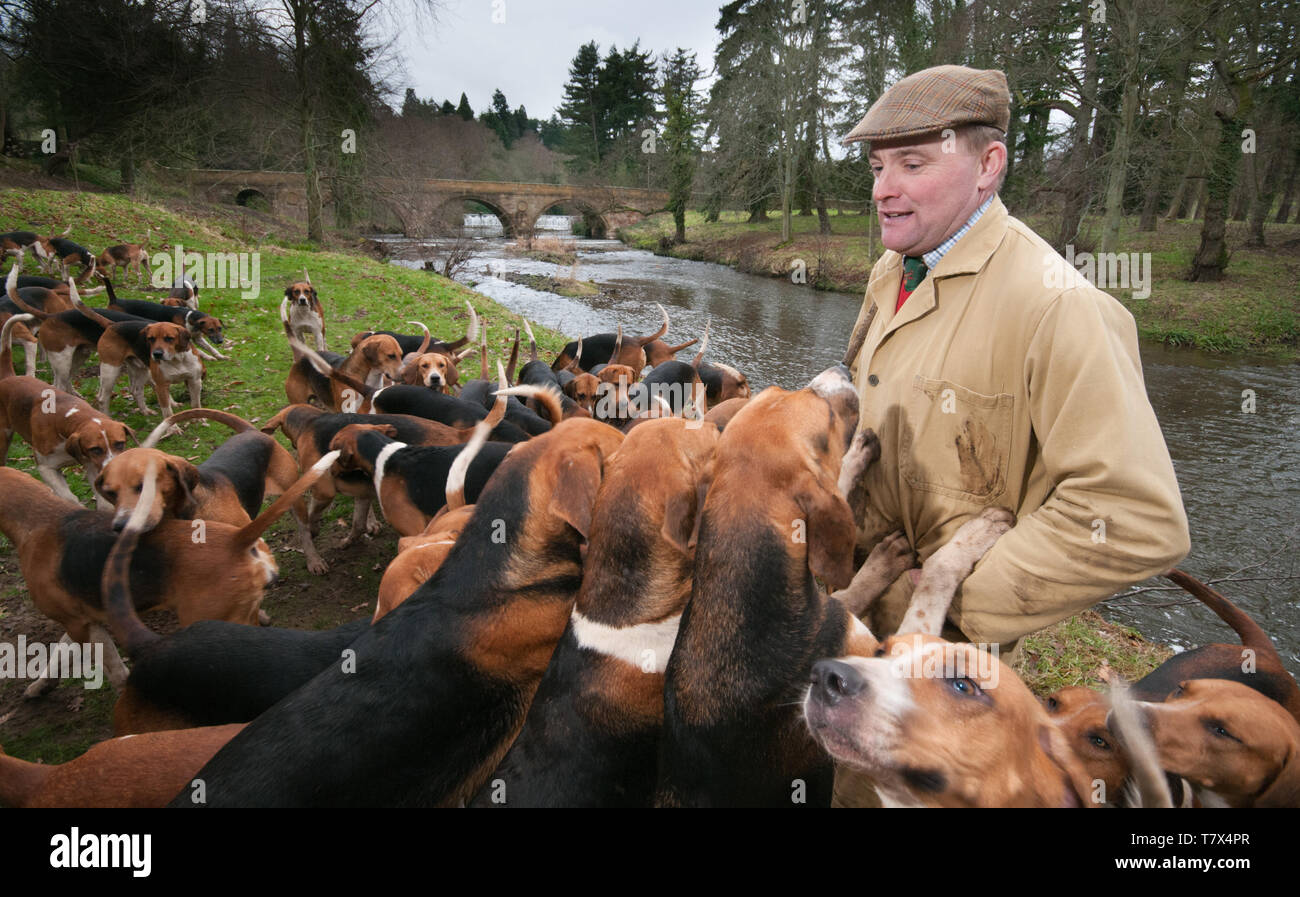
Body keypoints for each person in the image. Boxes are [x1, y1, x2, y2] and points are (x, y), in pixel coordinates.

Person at [838, 65, 1189, 705]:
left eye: (912, 166)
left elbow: (1135, 517)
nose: (883, 190)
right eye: (876, 168)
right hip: (848, 618)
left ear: (988, 165)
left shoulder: (1060, 307)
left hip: (948, 672)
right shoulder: (891, 272)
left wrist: (957, 599)